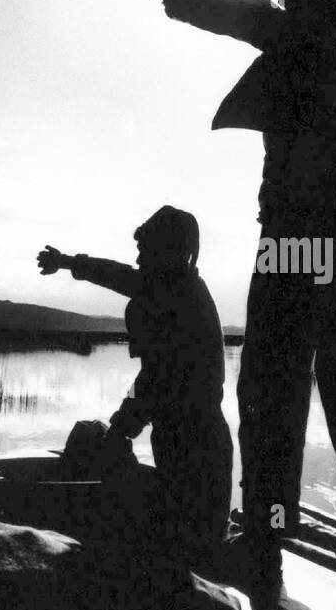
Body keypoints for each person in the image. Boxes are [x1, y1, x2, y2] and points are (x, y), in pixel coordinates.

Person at [77, 0, 336, 590]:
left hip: (293, 247)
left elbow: (207, 6)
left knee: (272, 390)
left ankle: (268, 535)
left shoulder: (299, 38)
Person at [36, 206, 232, 572]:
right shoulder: (168, 285)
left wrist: (120, 429)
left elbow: (157, 383)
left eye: (147, 250)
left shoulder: (180, 301)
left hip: (197, 450)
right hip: (182, 441)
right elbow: (117, 274)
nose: (139, 258)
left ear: (170, 251)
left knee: (180, 550)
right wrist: (66, 262)